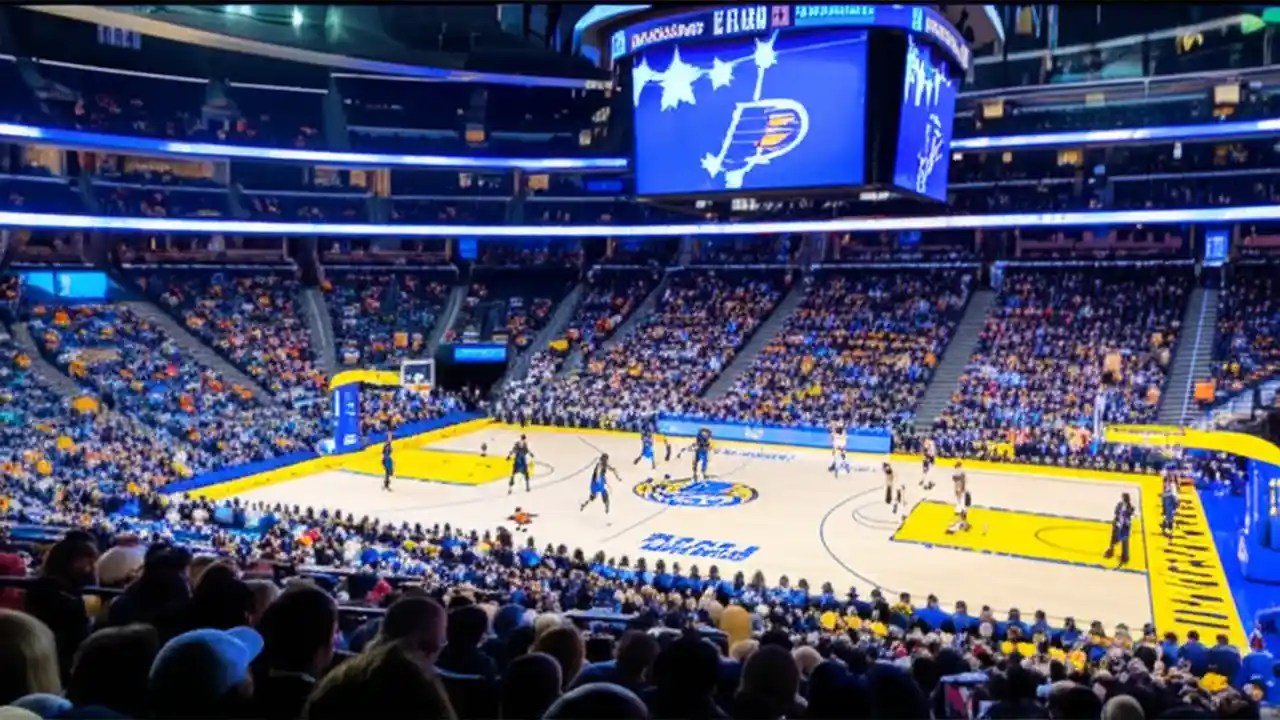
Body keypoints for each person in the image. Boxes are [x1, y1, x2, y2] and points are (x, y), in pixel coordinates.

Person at [1104, 492, 1135, 567]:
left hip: (1124, 526)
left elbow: (1130, 516)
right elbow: (1116, 512)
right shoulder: (1120, 505)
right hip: (1118, 524)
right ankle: (1111, 551)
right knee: (1113, 538)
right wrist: (1117, 521)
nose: (1122, 499)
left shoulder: (1130, 507)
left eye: (1123, 498)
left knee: (1125, 542)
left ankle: (1125, 557)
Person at [946, 462, 970, 534]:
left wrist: (959, 492)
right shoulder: (961, 474)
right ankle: (964, 524)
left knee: (958, 510)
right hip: (961, 493)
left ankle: (956, 526)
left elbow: (961, 483)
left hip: (961, 493)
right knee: (962, 510)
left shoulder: (960, 475)